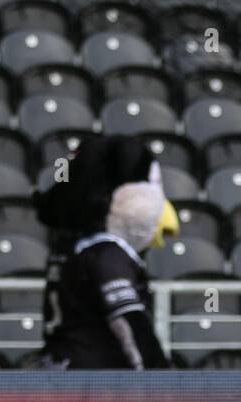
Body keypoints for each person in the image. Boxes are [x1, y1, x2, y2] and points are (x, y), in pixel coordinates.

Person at [35, 136, 179, 369]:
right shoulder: (106, 255)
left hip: (58, 368)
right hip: (95, 385)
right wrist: (160, 377)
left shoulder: (68, 249)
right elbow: (128, 321)